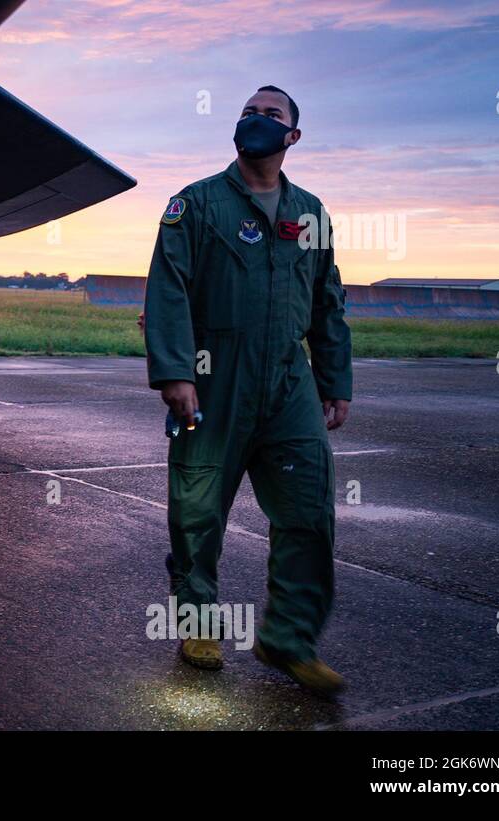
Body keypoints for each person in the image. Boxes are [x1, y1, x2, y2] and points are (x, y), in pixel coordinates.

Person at [142, 85, 352, 694]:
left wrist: (333, 379)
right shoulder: (196, 204)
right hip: (215, 380)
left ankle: (288, 639)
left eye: (271, 116)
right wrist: (176, 372)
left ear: (293, 137)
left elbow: (327, 301)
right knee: (199, 511)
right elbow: (169, 288)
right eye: (249, 112)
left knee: (309, 513)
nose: (255, 121)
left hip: (290, 385)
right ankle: (199, 622)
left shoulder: (310, 213)